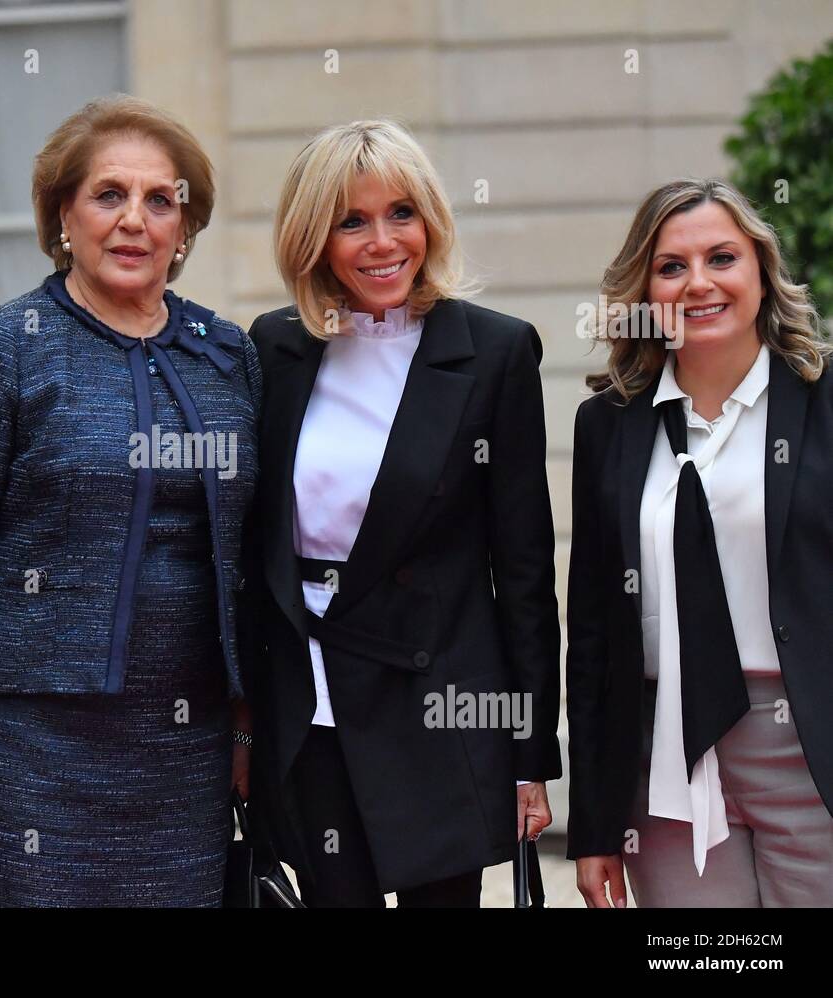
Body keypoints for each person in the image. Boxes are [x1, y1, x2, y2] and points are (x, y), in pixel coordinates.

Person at [0, 95, 260, 907]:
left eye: (159, 200)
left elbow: (247, 553)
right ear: (64, 213)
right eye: (109, 195)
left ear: (183, 226)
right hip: (30, 749)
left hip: (185, 748)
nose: (134, 220)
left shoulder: (227, 355)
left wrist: (244, 725)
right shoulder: (0, 348)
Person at [246, 120, 560, 908]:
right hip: (310, 707)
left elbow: (522, 571)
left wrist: (531, 753)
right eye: (351, 220)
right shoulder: (276, 347)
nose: (382, 241)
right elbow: (255, 552)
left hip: (440, 710)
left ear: (431, 222)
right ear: (313, 235)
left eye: (401, 213)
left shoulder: (495, 351)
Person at [568, 178, 833, 908]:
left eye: (722, 257)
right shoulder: (608, 427)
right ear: (645, 288)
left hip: (807, 745)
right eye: (672, 266)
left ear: (761, 272)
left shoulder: (822, 400)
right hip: (663, 755)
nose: (699, 283)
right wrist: (593, 825)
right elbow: (590, 635)